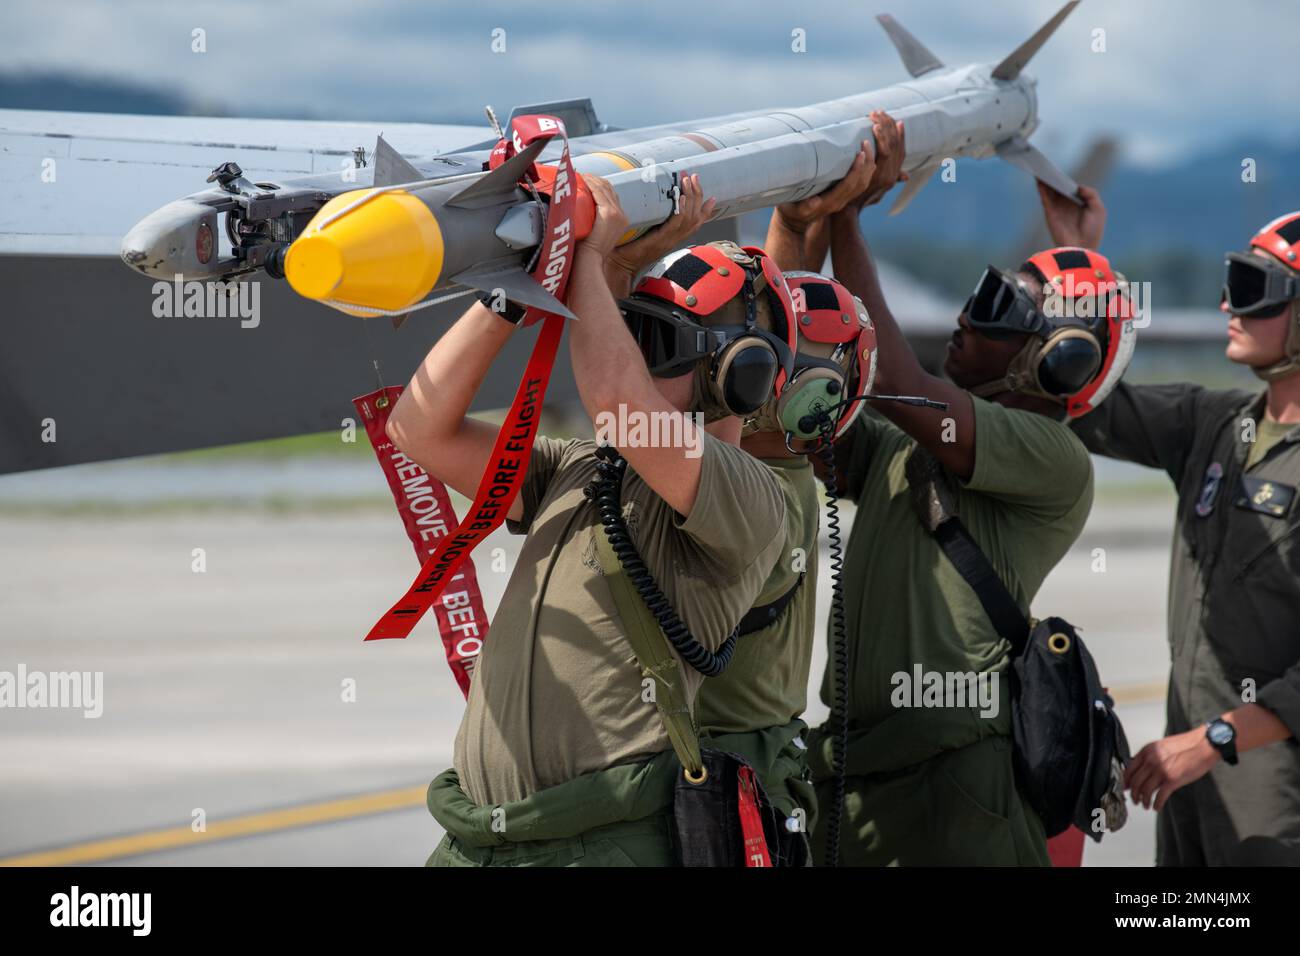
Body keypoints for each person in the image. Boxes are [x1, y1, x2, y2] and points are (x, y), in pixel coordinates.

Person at [387, 174, 795, 866]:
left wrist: (585, 259)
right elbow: (420, 427)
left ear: (738, 376)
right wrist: (519, 287)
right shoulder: (582, 468)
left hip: (593, 847)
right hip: (479, 839)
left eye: (653, 341)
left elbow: (618, 402)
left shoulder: (752, 500)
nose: (629, 350)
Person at [767, 111, 1134, 865]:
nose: (966, 316)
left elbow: (898, 380)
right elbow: (792, 403)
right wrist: (797, 223)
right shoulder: (920, 445)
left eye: (999, 310)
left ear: (1056, 363)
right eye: (982, 293)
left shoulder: (1054, 461)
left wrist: (848, 216)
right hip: (858, 776)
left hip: (959, 784)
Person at [602, 176, 879, 860]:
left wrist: (612, 267)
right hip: (715, 764)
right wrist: (794, 218)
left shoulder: (766, 499)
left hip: (729, 779)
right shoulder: (773, 471)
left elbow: (629, 407)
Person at [1060, 198, 1300, 866]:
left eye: (1253, 291)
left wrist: (1215, 738)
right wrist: (1083, 264)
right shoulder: (1213, 423)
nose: (1229, 306)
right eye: (1230, 286)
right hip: (1187, 776)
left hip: (1272, 792)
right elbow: (1083, 403)